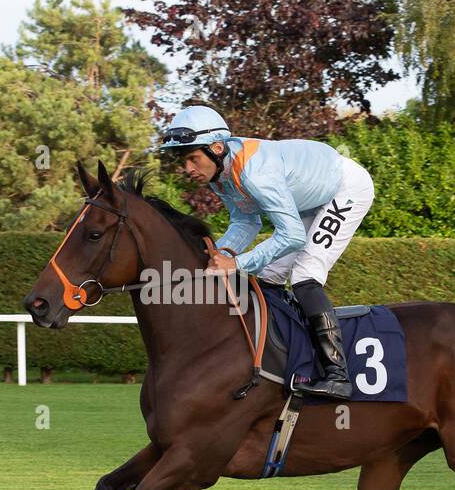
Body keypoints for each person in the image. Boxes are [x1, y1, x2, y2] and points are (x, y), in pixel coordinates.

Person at [159, 105, 376, 400]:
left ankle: (338, 375)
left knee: (305, 274)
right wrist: (220, 251)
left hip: (345, 188)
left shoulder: (253, 172)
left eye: (193, 159)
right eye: (184, 161)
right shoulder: (221, 174)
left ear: (217, 147)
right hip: (309, 202)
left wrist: (235, 263)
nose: (188, 170)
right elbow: (245, 221)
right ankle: (286, 359)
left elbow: (292, 235)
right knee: (269, 277)